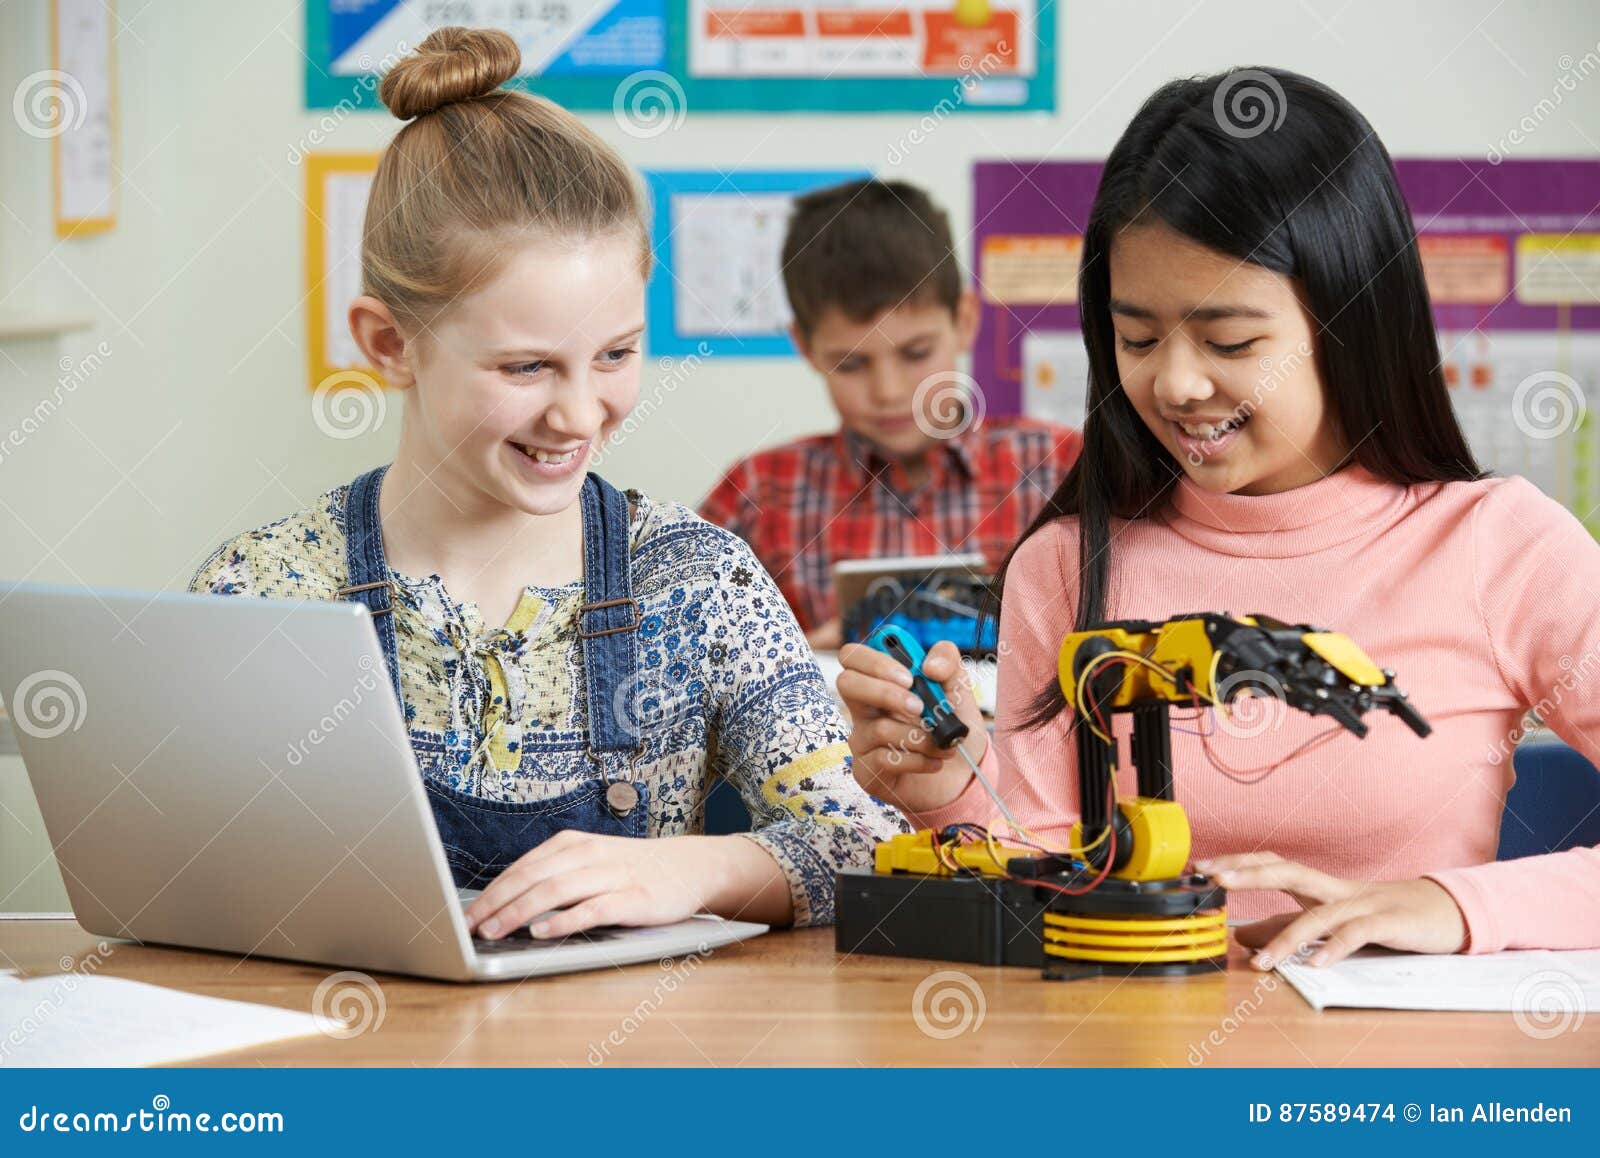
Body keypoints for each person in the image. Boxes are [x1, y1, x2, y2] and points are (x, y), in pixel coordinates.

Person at [838, 68, 1600, 968]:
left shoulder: (1503, 546)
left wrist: (1455, 905)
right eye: (1137, 338)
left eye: (1232, 342)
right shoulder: (1071, 560)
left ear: (1354, 317)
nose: (1176, 385)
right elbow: (1049, 885)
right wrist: (950, 795)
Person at [192, 27, 905, 942]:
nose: (578, 415)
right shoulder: (260, 592)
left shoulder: (696, 581)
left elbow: (870, 847)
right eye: (527, 367)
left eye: (615, 355)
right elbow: (180, 879)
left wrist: (695, 867)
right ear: (388, 345)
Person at [699, 178, 1082, 649]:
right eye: (853, 363)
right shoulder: (756, 495)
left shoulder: (1060, 467)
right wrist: (795, 668)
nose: (890, 391)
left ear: (963, 321)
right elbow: (685, 678)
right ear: (805, 347)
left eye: (916, 352)